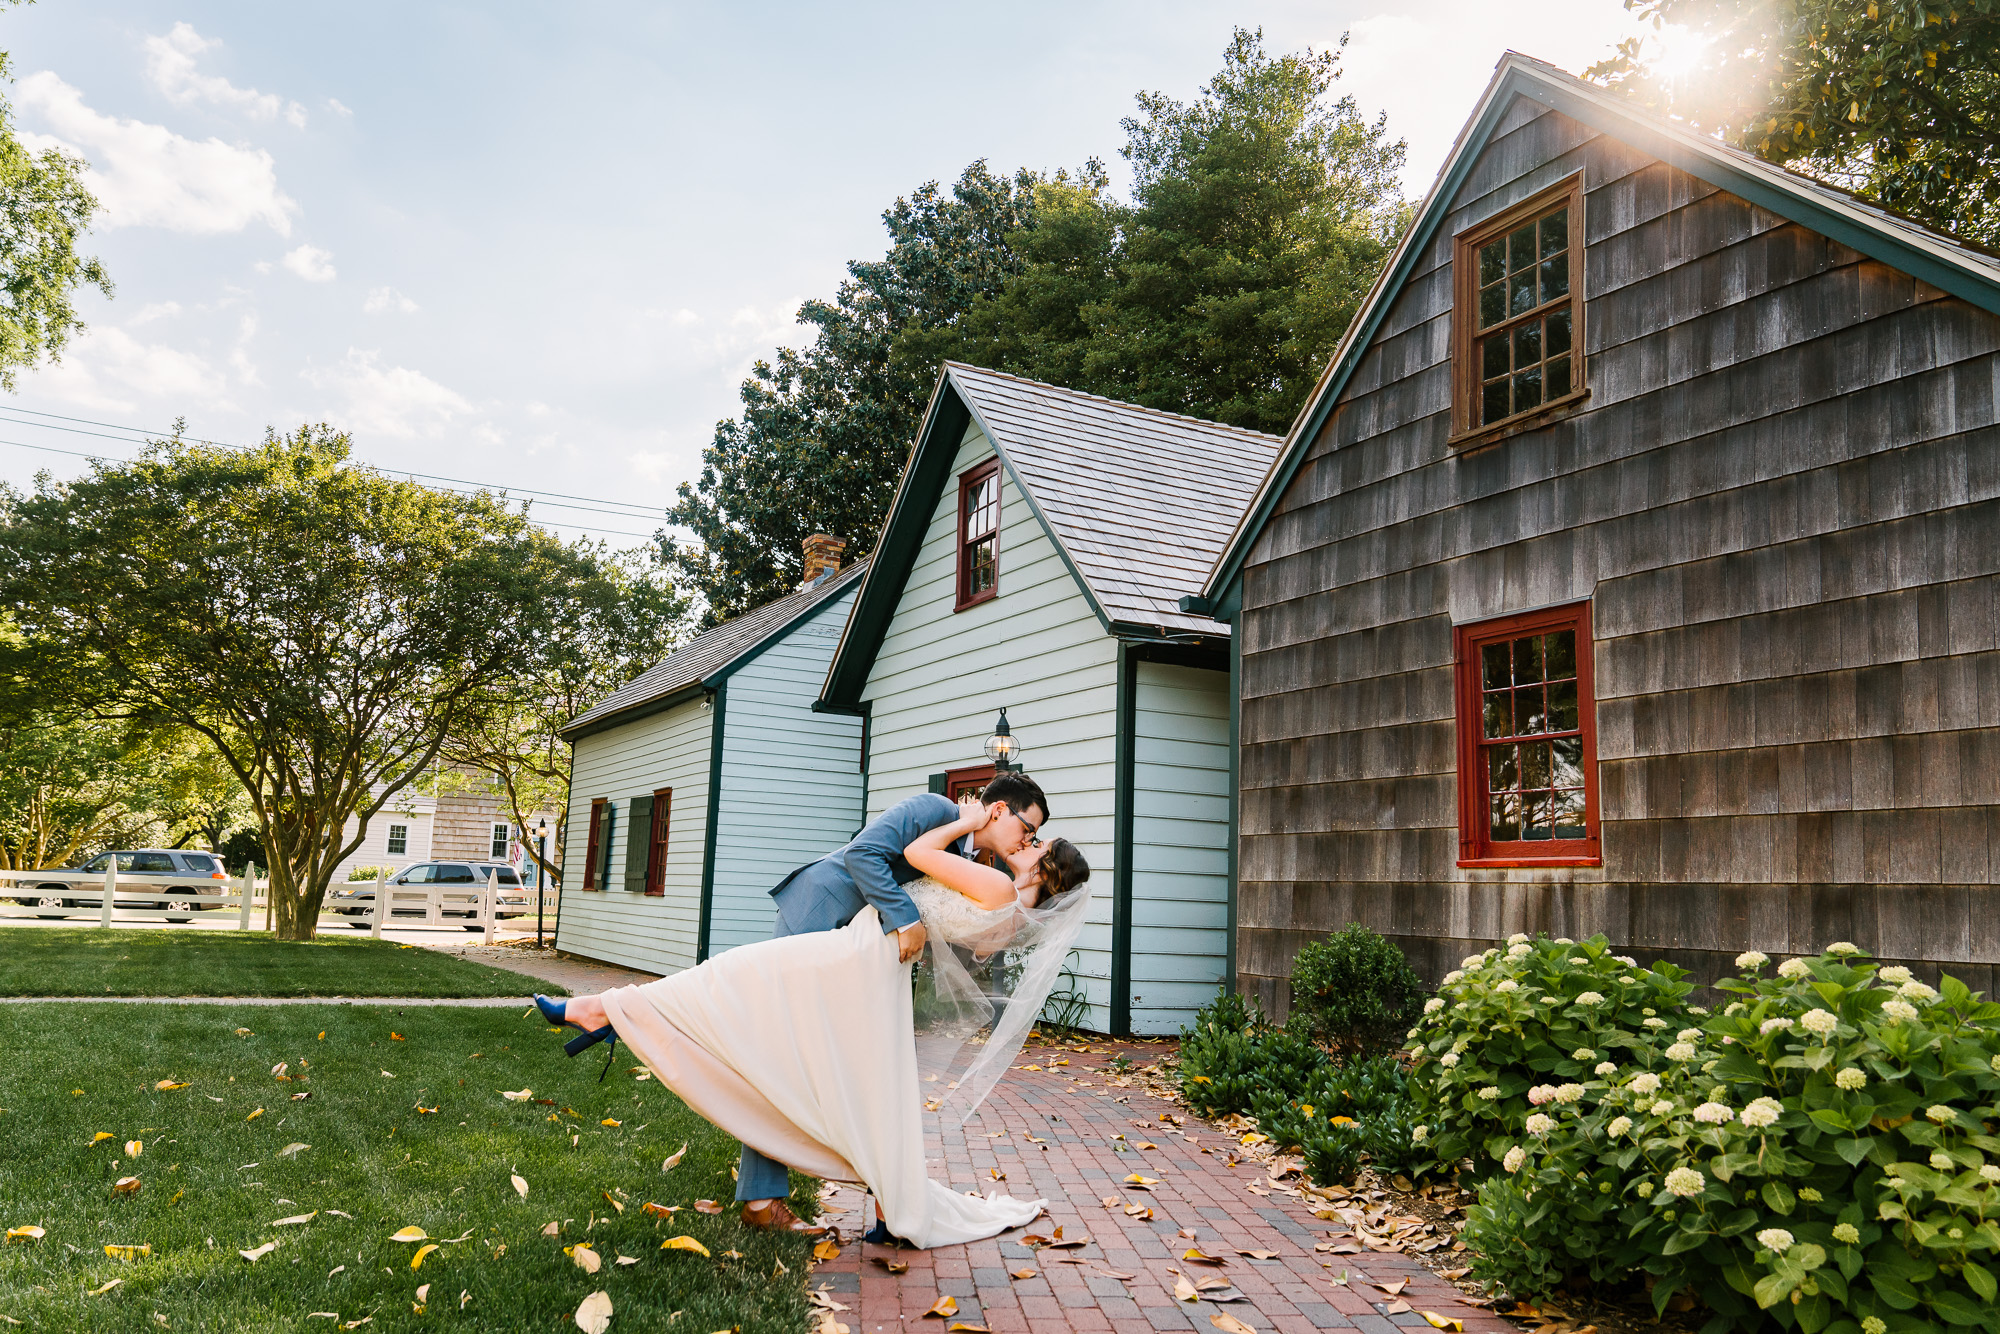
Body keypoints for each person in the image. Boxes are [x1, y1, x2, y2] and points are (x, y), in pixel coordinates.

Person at [539, 775, 1093, 1248]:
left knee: (836, 1065)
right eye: (1027, 828)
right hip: (825, 915)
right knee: (773, 1048)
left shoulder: (976, 858)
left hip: (864, 954)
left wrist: (912, 921)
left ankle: (861, 1198)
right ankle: (765, 1198)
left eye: (1035, 840)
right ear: (999, 809)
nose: (1028, 839)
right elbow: (862, 855)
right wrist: (907, 919)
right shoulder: (935, 811)